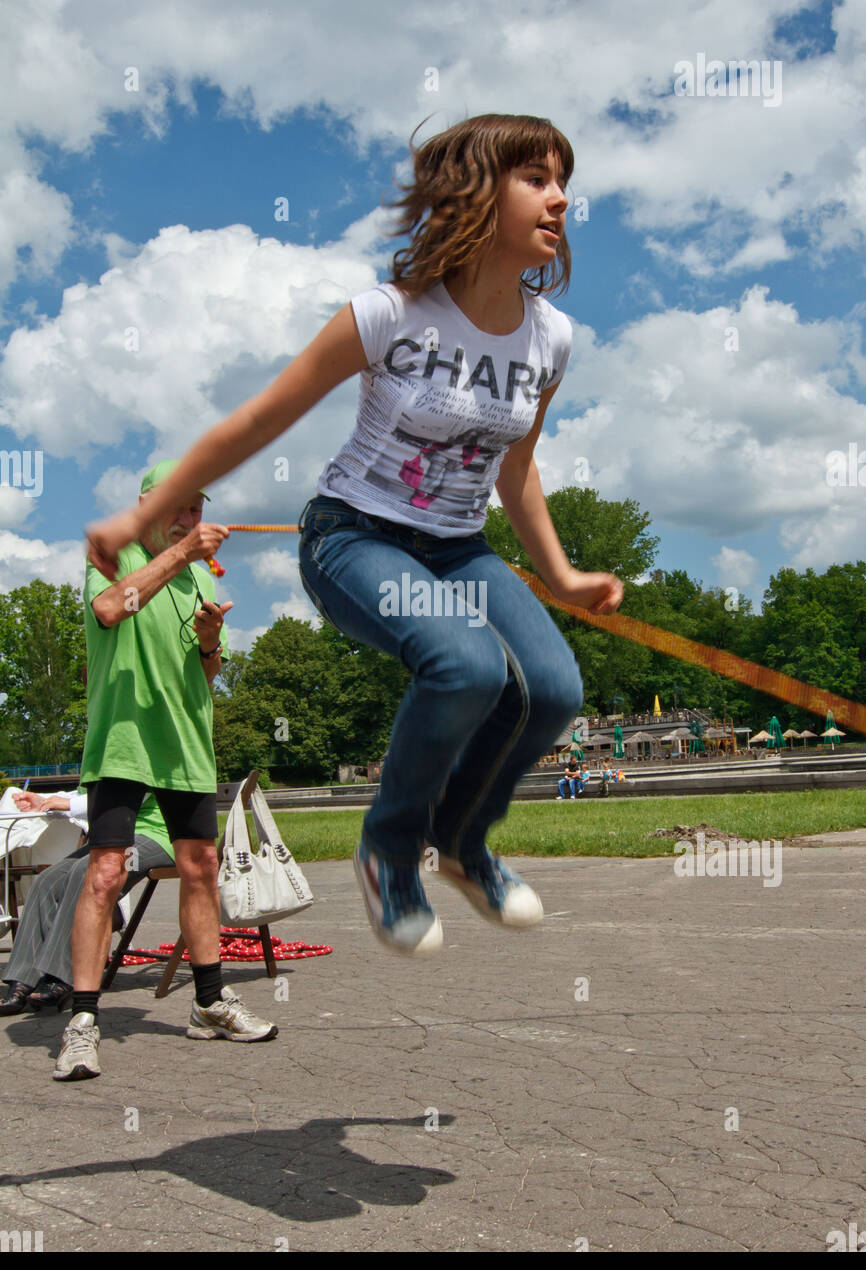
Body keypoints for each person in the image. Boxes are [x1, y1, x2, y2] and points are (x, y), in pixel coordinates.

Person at [83, 114, 624, 959]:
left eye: (563, 178)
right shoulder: (390, 316)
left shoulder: (548, 338)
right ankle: (388, 851)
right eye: (536, 178)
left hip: (459, 548)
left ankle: (466, 845)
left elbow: (516, 465)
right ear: (477, 195)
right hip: (356, 539)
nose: (561, 197)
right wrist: (142, 519)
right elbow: (259, 419)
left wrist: (561, 574)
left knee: (552, 688)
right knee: (467, 664)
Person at [55, 463, 276, 1083]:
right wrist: (181, 553)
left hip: (185, 744)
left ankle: (209, 1004)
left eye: (196, 508)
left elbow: (206, 675)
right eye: (179, 507)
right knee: (105, 873)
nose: (191, 518)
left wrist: (209, 641)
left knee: (200, 867)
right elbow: (108, 608)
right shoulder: (116, 555)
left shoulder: (201, 575)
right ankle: (81, 1022)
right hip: (123, 741)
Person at [0, 788, 173, 1015]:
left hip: (154, 836)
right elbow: (84, 795)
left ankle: (64, 975)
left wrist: (63, 804)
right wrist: (45, 802)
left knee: (85, 872)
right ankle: (23, 979)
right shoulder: (94, 754)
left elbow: (124, 796)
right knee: (47, 881)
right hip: (111, 838)